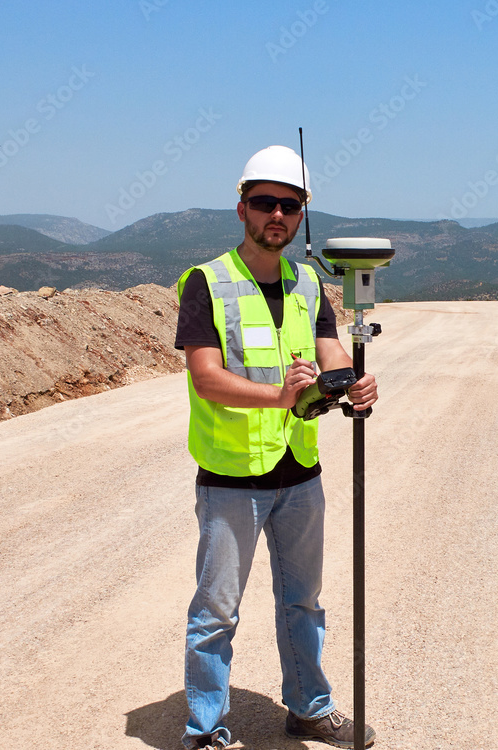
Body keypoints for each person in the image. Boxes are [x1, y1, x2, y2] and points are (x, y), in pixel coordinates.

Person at [174, 145, 377, 750]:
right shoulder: (207, 282)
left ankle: (309, 709)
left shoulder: (309, 281)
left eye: (290, 205)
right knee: (216, 615)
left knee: (303, 602)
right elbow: (205, 376)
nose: (277, 215)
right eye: (265, 203)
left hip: (299, 474)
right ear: (241, 209)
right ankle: (204, 729)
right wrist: (281, 400)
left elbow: (330, 352)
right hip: (232, 478)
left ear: (301, 212)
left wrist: (352, 381)